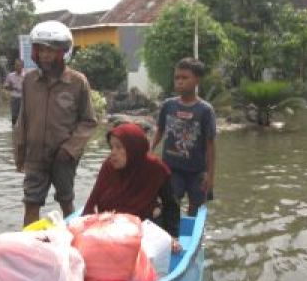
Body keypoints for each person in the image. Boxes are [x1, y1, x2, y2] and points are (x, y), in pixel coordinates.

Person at [13, 20, 97, 226]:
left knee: (66, 201)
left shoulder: (78, 82)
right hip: (35, 156)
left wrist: (70, 149)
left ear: (63, 52)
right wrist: (19, 151)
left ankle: (72, 246)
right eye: (41, 50)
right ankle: (29, 250)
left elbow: (89, 121)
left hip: (64, 157)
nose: (45, 55)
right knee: (31, 203)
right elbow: (23, 119)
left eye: (51, 51)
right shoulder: (29, 81)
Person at [83, 123, 181, 244]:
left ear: (133, 149)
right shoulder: (108, 167)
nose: (113, 153)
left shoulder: (155, 168)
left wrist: (172, 237)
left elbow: (171, 205)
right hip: (111, 227)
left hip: (144, 229)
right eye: (112, 147)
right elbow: (93, 201)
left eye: (119, 147)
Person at [151, 57, 216, 215]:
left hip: (197, 171)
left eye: (185, 78)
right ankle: (172, 234)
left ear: (197, 80)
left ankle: (193, 236)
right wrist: (149, 150)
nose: (180, 81)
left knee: (196, 207)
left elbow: (210, 145)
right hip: (172, 169)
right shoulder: (168, 105)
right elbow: (159, 131)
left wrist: (210, 175)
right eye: (177, 78)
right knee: (170, 203)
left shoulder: (205, 110)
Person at [3, 58, 25, 126]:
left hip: (24, 98)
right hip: (14, 98)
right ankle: (14, 131)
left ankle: (22, 132)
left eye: (19, 65)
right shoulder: (10, 75)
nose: (17, 67)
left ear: (22, 66)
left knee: (24, 116)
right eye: (16, 65)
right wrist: (13, 87)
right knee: (14, 116)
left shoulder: (26, 75)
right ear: (14, 66)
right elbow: (5, 86)